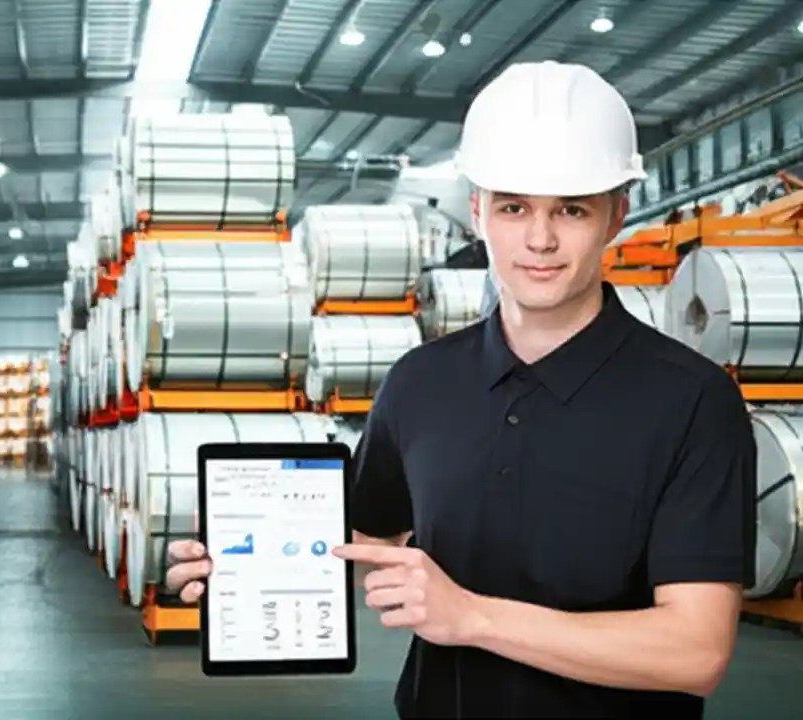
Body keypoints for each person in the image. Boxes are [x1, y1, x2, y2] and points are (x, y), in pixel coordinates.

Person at [165, 60, 755, 718]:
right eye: (513, 206)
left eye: (571, 209)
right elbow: (368, 533)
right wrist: (244, 553)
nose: (539, 238)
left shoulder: (692, 402)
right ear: (478, 211)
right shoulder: (420, 381)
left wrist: (471, 617)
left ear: (615, 215)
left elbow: (695, 652)